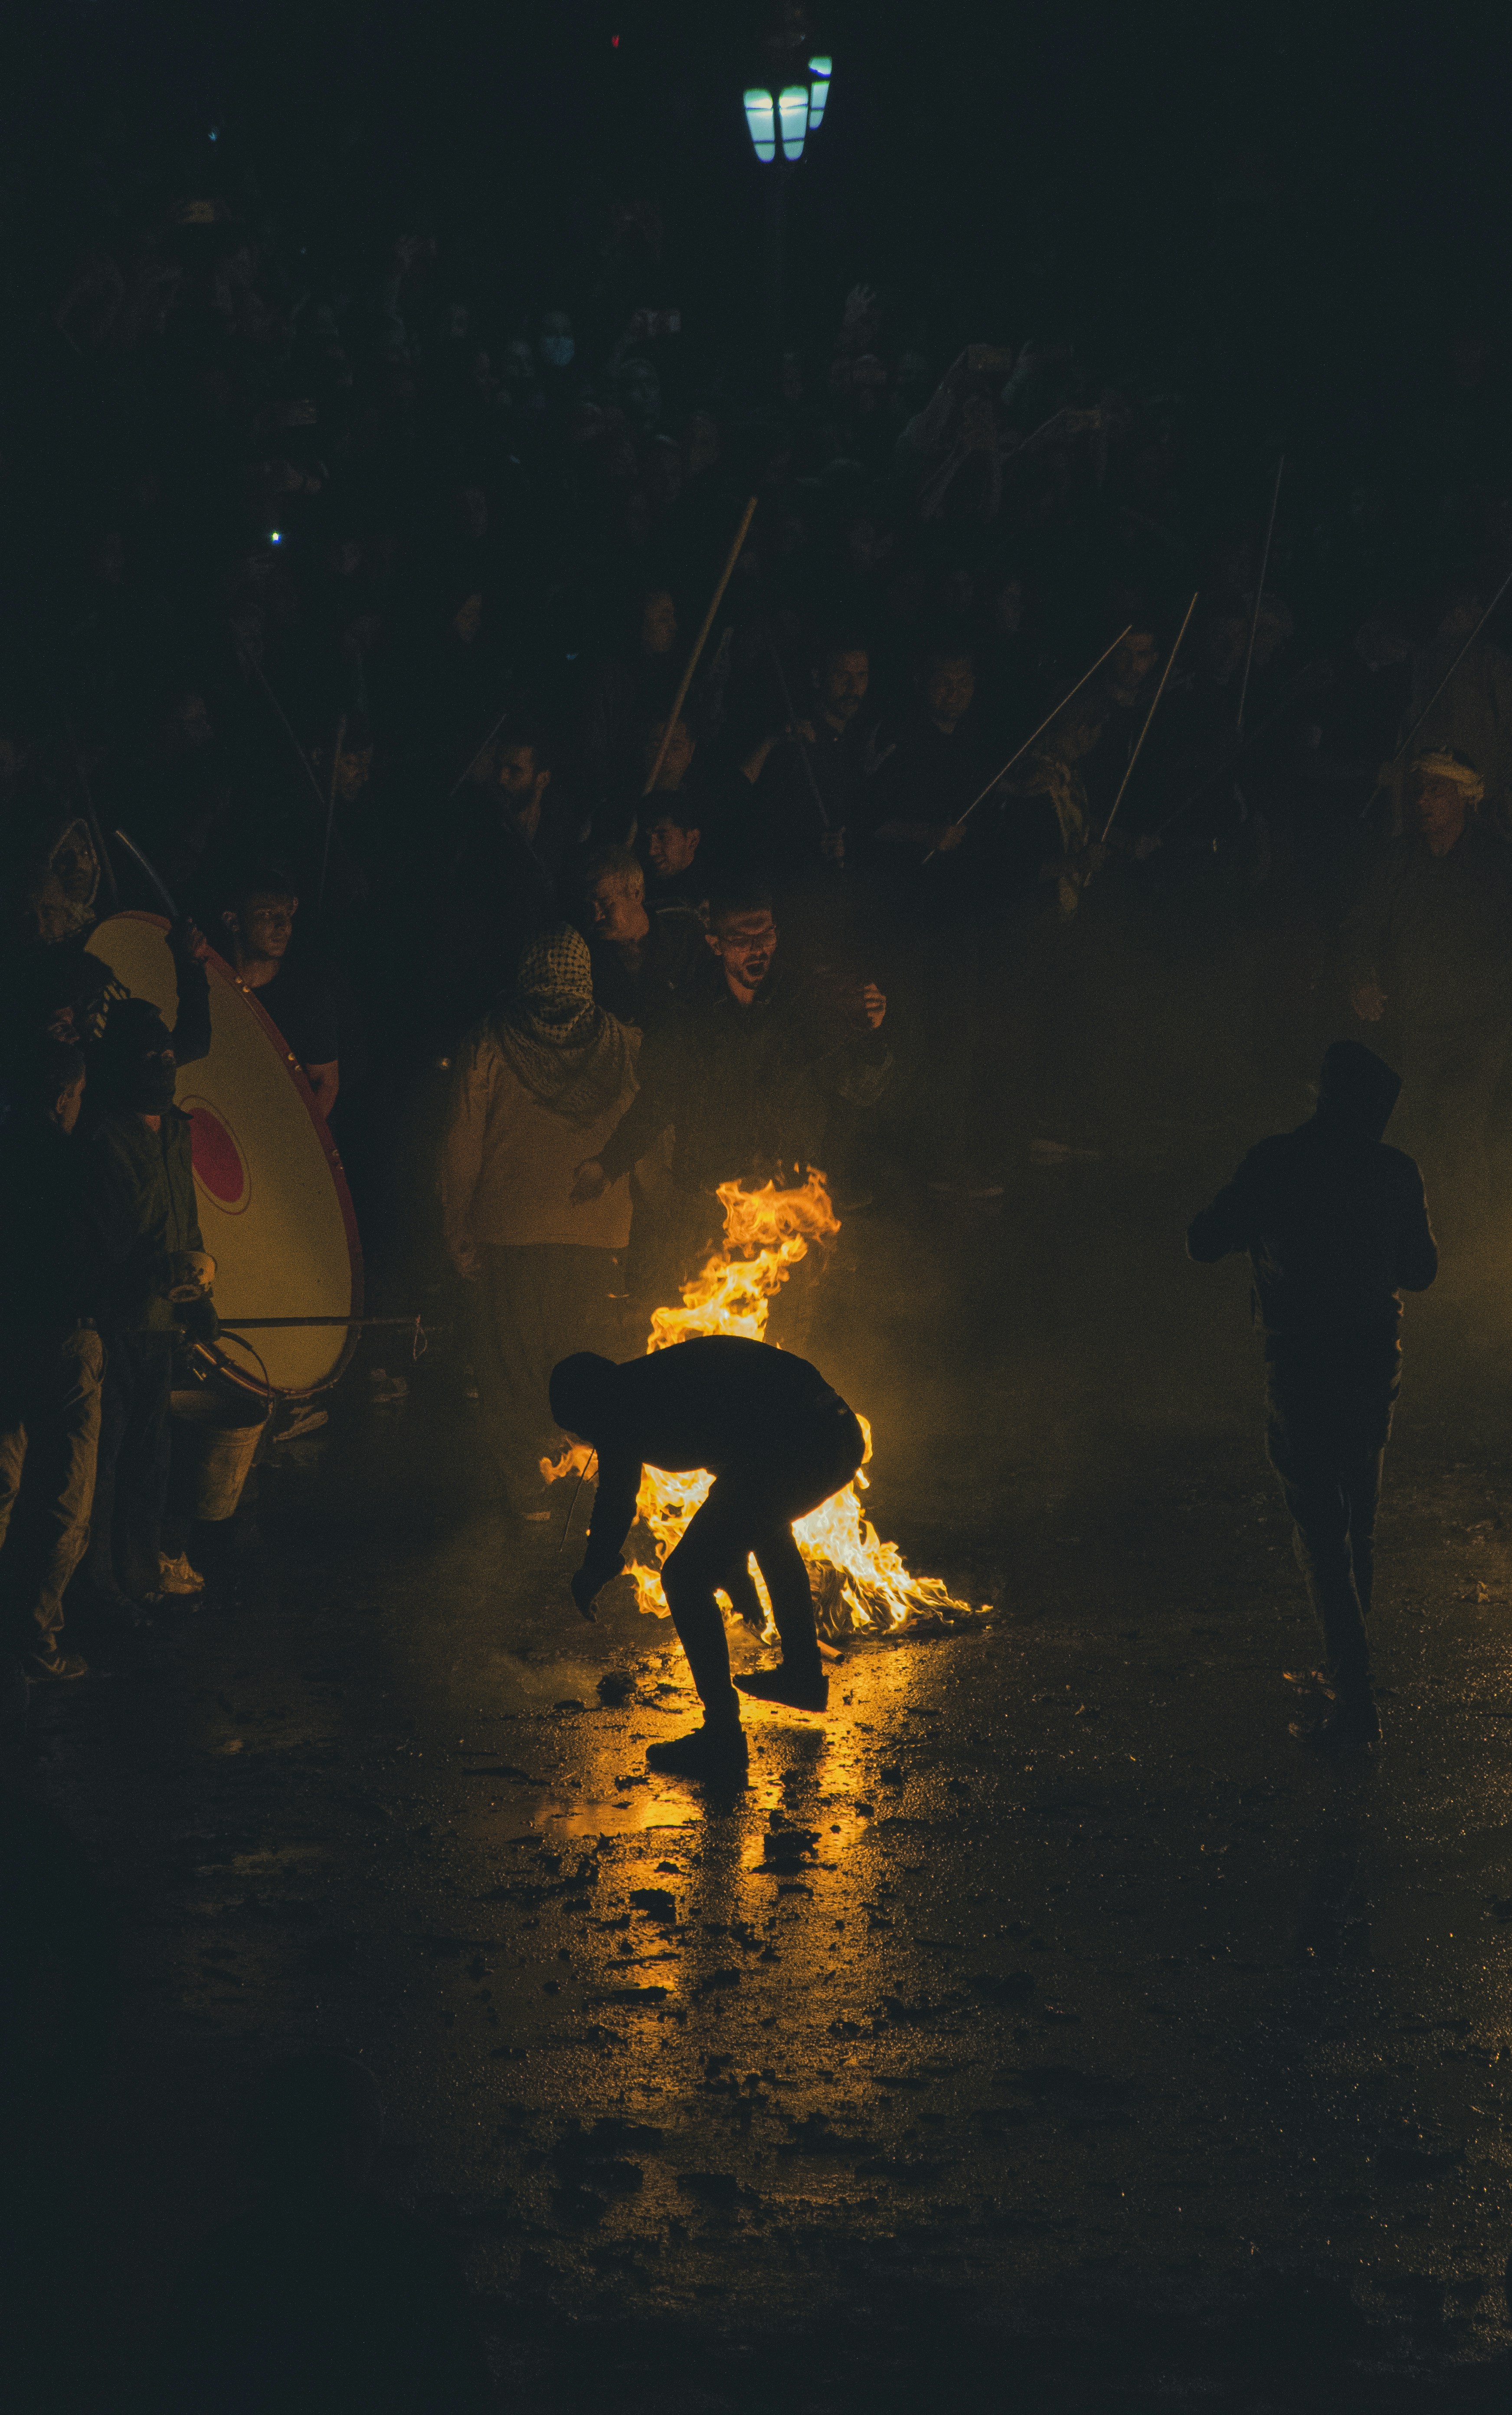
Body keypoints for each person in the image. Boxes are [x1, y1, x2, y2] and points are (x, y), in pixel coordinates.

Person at [1187, 1041, 1437, 1750]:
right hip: (1370, 1361)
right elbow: (1420, 1270)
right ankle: (1347, 1675)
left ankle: (1353, 1699)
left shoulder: (1278, 1162)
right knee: (1355, 1517)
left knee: (1320, 1529)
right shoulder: (1394, 1170)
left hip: (1301, 1364)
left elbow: (1204, 1240)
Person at [552, 1336, 866, 1776]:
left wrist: (594, 1567)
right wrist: (734, 1573)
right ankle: (802, 1675)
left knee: (683, 1578)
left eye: (584, 1430)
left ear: (589, 1405)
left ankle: (721, 1738)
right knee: (769, 1529)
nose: (592, 1440)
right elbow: (739, 1484)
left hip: (808, 1441)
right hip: (834, 1434)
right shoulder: (652, 1383)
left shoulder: (621, 1402)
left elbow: (618, 1496)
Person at [571, 880, 889, 1295]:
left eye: (766, 936)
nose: (758, 951)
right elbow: (659, 1100)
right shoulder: (689, 1014)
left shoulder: (803, 1007)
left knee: (786, 1337)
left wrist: (872, 1036)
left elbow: (855, 1089)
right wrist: (608, 1164)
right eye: (741, 940)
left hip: (791, 1203)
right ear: (716, 944)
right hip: (710, 1203)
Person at [439, 925, 639, 1520]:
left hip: (510, 1236)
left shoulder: (491, 1042)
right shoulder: (625, 1043)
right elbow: (653, 1141)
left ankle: (529, 1494)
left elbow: (460, 1143)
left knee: (509, 1368)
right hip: (598, 1237)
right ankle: (591, 1481)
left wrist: (456, 1226)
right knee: (584, 1364)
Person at [80, 1000, 219, 1615]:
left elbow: (184, 1220)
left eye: (169, 1057)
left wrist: (200, 1294)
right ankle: (96, 1585)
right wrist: (158, 1284)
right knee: (104, 1461)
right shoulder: (103, 1136)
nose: (165, 1067)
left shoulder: (176, 1130)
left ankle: (138, 1576)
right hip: (115, 1325)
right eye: (150, 1058)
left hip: (161, 1326)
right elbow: (101, 1242)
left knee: (150, 1455)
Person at [1344, 746, 1512, 1228]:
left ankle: (1471, 1239)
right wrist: (1362, 977)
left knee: (1460, 1126)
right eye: (1418, 788)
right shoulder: (1398, 860)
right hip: (1412, 1023)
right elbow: (1361, 926)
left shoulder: (1497, 865)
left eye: (1437, 789)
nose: (1423, 799)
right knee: (1405, 1130)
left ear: (1463, 796)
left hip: (1478, 1026)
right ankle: (1406, 1232)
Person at [0, 1040, 102, 1683]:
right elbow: (96, 1263)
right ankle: (35, 1647)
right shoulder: (76, 1164)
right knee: (65, 1500)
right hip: (61, 1341)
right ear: (66, 1096)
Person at [220, 867, 340, 1119]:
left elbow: (325, 1083)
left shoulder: (308, 997)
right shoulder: (211, 980)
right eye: (266, 914)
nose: (283, 926)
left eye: (286, 915)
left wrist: (293, 1141)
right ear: (234, 922)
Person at [582, 843, 706, 1030]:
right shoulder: (589, 958)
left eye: (605, 902)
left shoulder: (684, 928)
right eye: (589, 906)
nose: (597, 915)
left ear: (636, 893)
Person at [644, 795, 708, 909]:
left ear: (692, 840)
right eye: (646, 838)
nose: (651, 851)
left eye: (662, 837)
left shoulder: (707, 894)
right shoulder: (640, 881)